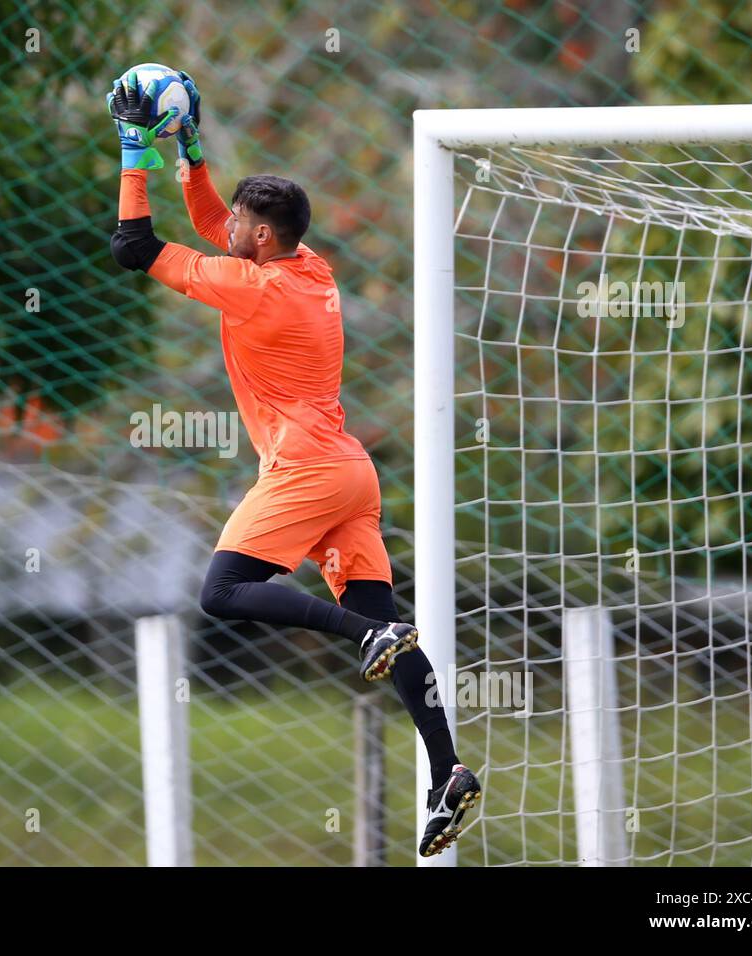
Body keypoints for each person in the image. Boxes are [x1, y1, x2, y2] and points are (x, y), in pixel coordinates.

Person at [106, 71, 480, 857]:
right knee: (391, 624)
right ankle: (448, 769)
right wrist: (194, 150)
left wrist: (136, 150)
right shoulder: (308, 270)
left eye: (240, 223)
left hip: (307, 469)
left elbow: (132, 247)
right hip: (351, 470)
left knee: (224, 591)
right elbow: (212, 222)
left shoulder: (254, 292)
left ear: (261, 239)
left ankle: (361, 637)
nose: (227, 228)